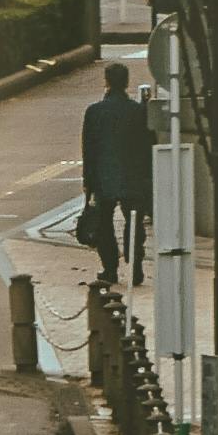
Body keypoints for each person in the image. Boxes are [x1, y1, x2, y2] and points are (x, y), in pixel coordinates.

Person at [77, 58, 155, 286]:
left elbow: (89, 149)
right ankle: (136, 267)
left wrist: (88, 181)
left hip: (103, 178)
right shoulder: (138, 111)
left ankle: (110, 268)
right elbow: (148, 146)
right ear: (127, 83)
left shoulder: (94, 112)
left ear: (107, 82)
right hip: (134, 176)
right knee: (135, 222)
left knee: (104, 223)